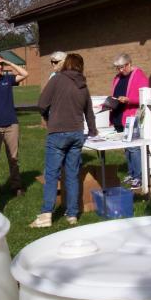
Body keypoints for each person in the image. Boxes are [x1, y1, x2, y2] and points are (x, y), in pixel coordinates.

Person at [31, 53, 97, 228]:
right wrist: (92, 130)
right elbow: (89, 112)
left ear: (66, 64)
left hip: (58, 133)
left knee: (52, 175)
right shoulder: (83, 85)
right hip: (77, 134)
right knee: (73, 175)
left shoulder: (57, 79)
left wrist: (47, 118)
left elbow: (41, 103)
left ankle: (46, 215)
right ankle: (72, 215)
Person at [0, 53, 28, 197]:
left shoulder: (7, 79)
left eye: (1, 64)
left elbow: (25, 73)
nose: (0, 66)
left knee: (13, 158)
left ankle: (16, 186)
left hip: (11, 125)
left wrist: (8, 62)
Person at [109, 53, 149, 190]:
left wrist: (128, 100)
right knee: (126, 148)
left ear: (129, 64)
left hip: (131, 116)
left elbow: (143, 97)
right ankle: (131, 173)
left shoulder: (139, 75)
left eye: (121, 67)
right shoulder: (117, 78)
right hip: (119, 116)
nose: (120, 70)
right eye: (117, 68)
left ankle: (139, 177)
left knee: (133, 148)